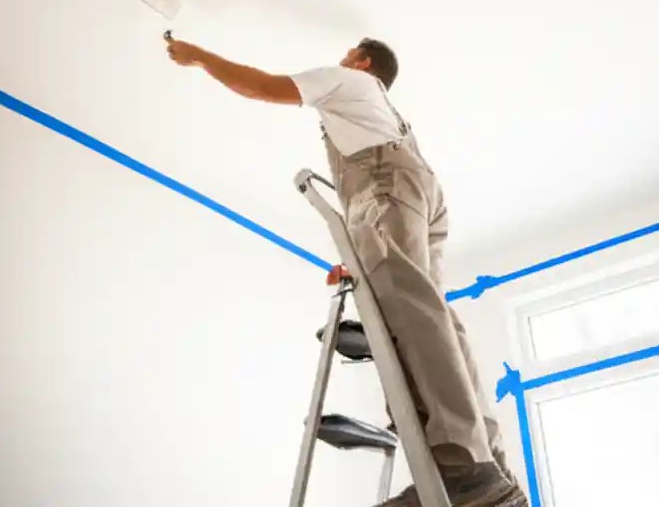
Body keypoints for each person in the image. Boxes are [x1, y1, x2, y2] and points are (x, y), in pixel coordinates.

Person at [165, 35, 526, 506]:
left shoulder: (349, 80)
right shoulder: (385, 115)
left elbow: (261, 87)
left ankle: (465, 467)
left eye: (347, 54)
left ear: (362, 60)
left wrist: (200, 56)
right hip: (412, 193)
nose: (339, 59)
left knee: (415, 321)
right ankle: (487, 471)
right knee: (434, 320)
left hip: (385, 187)